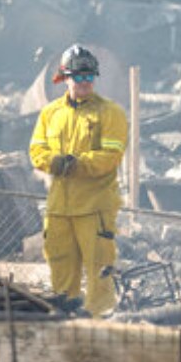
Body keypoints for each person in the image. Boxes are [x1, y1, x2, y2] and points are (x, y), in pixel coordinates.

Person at [29, 45, 127, 316]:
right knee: (60, 265)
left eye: (89, 77)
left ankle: (100, 320)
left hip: (95, 208)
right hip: (59, 208)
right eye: (78, 77)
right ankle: (64, 318)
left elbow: (110, 156)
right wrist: (55, 162)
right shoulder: (50, 113)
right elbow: (37, 152)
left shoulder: (110, 113)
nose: (84, 83)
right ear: (64, 78)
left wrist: (77, 164)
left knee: (99, 268)